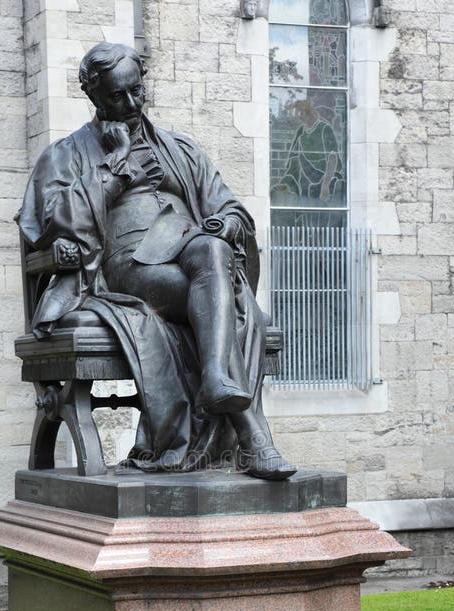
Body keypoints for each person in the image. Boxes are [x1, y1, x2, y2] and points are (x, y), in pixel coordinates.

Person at [17, 42, 295, 480]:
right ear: (93, 95)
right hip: (126, 271)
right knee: (225, 301)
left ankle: (217, 382)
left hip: (191, 251)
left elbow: (231, 207)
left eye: (136, 92)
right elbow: (54, 224)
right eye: (116, 97)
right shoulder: (66, 155)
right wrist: (115, 169)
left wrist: (222, 224)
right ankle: (252, 436)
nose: (129, 104)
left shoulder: (178, 149)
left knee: (214, 250)